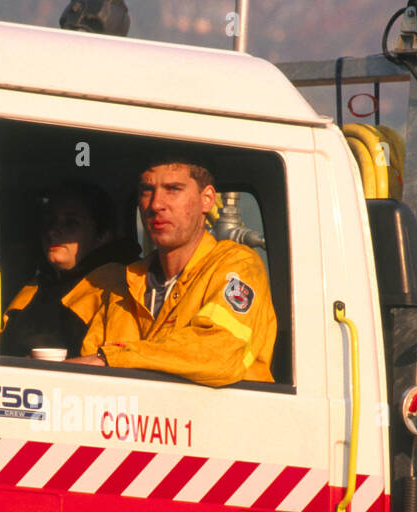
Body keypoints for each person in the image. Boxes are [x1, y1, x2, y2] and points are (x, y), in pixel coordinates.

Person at [68, 155, 276, 387]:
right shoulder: (122, 284)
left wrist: (113, 358)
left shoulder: (238, 266)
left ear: (207, 199)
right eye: (147, 190)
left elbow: (218, 352)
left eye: (173, 189)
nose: (156, 204)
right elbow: (88, 372)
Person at [0, 181, 135, 358]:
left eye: (71, 223)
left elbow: (114, 361)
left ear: (102, 236)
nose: (53, 231)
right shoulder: (35, 285)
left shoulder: (118, 286)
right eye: (49, 222)